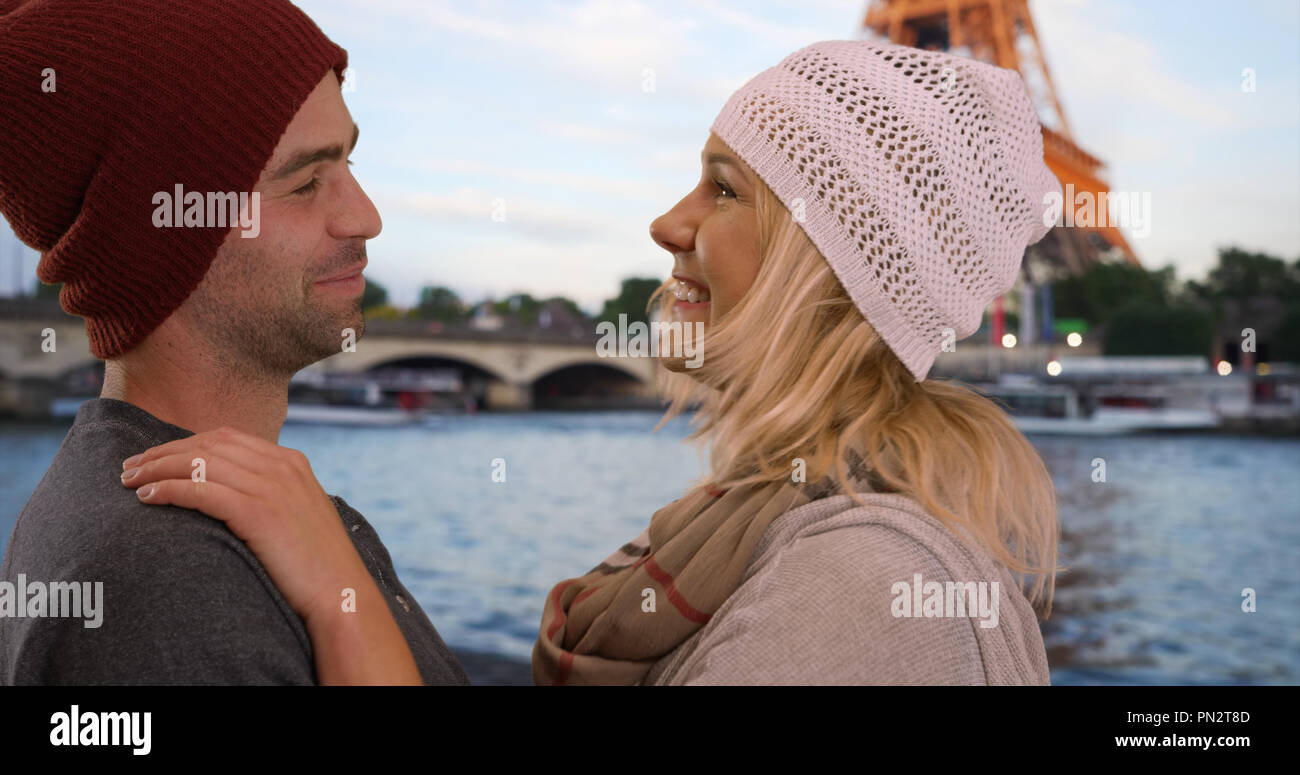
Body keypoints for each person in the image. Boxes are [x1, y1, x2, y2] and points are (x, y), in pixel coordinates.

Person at [120, 40, 1062, 685]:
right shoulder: (774, 528)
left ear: (827, 263)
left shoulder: (865, 593)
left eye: (723, 188)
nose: (668, 223)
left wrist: (341, 597)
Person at [0, 0, 469, 685]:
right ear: (167, 235)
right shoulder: (165, 587)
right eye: (306, 183)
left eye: (348, 162)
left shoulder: (219, 524)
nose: (364, 215)